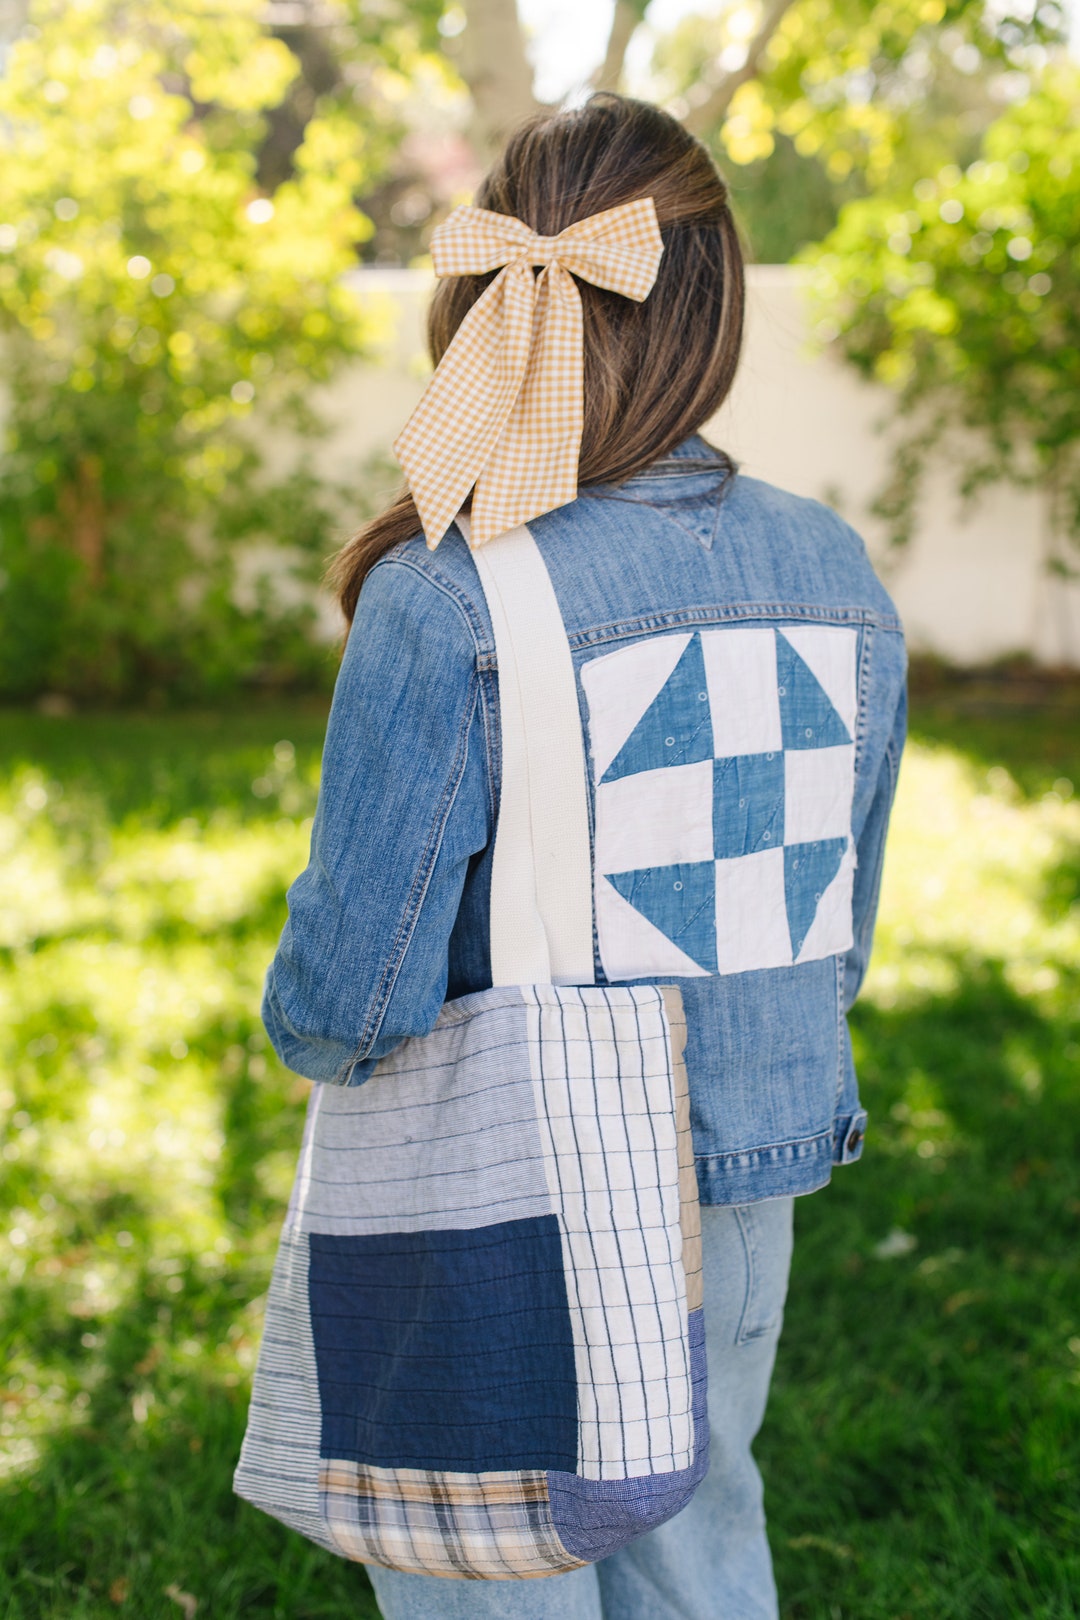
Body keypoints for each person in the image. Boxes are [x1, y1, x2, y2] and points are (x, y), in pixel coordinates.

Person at [260, 92, 907, 1620]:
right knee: (696, 1524)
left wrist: (306, 1028)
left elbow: (360, 985)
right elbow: (842, 916)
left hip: (508, 1189)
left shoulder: (451, 590)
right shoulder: (830, 565)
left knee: (489, 1572)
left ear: (482, 302)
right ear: (716, 309)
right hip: (748, 1169)